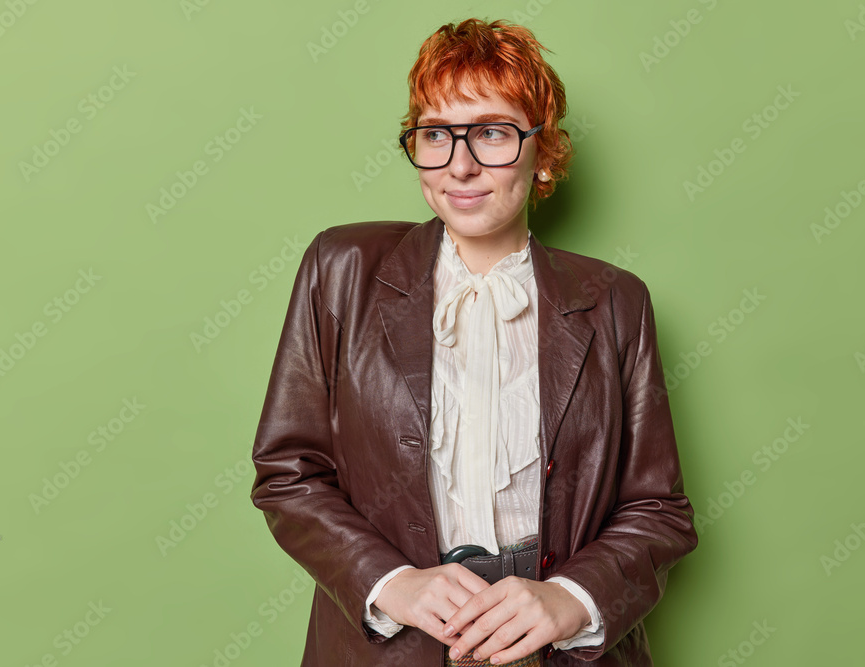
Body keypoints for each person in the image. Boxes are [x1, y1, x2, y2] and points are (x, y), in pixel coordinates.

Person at [250, 17, 697, 667]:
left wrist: (570, 598)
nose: (459, 164)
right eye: (436, 134)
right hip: (388, 646)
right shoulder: (341, 267)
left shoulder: (615, 299)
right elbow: (289, 473)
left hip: (556, 651)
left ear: (543, 153)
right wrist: (393, 583)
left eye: (491, 132)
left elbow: (659, 509)